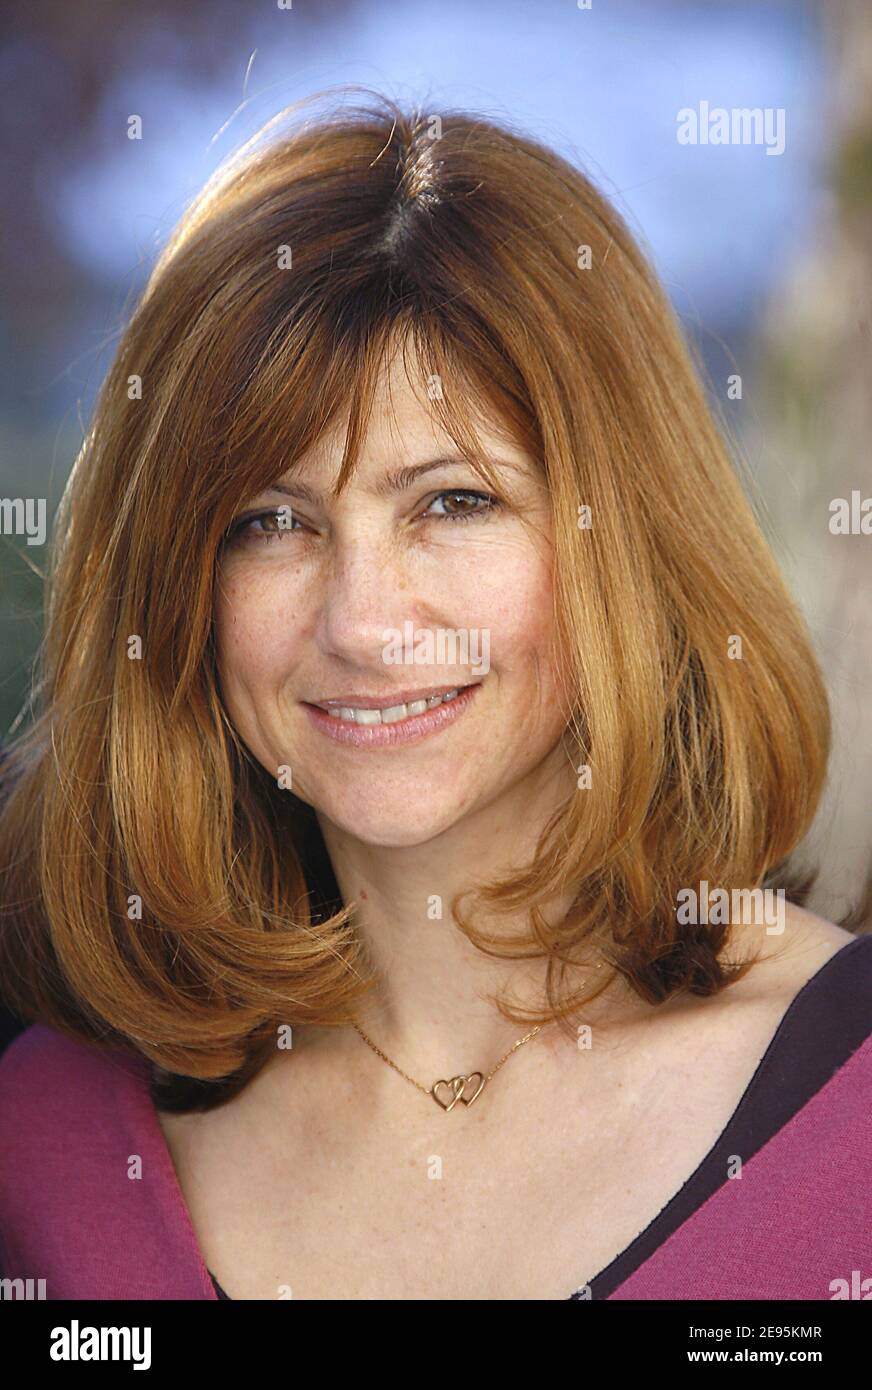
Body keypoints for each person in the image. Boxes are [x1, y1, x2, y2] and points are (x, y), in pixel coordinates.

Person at [0, 90, 869, 1302]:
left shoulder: (847, 1115)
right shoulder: (42, 1154)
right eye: (270, 522)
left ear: (628, 539)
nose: (362, 624)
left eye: (452, 503)